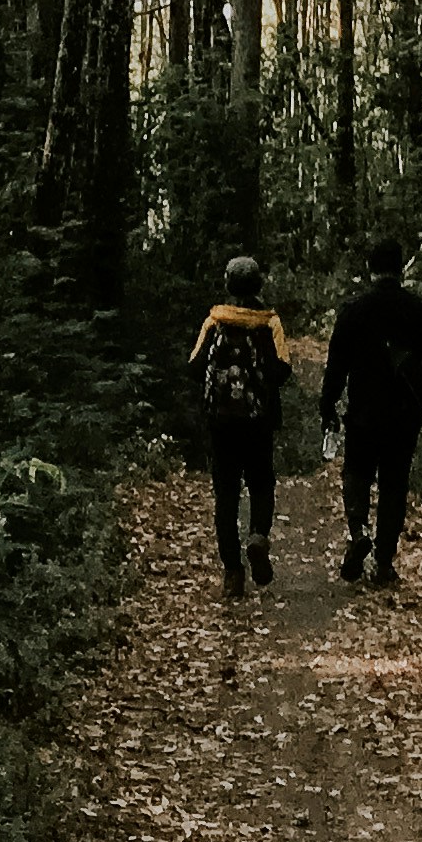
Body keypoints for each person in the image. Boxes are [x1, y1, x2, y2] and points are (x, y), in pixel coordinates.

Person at [320, 236, 422, 586]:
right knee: (394, 484)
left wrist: (328, 405)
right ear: (401, 268)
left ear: (370, 269)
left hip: (364, 412)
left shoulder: (354, 311)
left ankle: (359, 530)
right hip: (404, 414)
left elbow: (336, 366)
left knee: (356, 474)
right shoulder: (419, 310)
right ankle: (384, 563)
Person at [189, 255, 291, 598]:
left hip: (222, 424)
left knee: (226, 495)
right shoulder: (269, 322)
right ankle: (258, 536)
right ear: (258, 285)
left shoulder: (214, 320)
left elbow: (194, 365)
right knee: (262, 483)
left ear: (228, 285)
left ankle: (232, 572)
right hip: (258, 422)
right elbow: (283, 371)